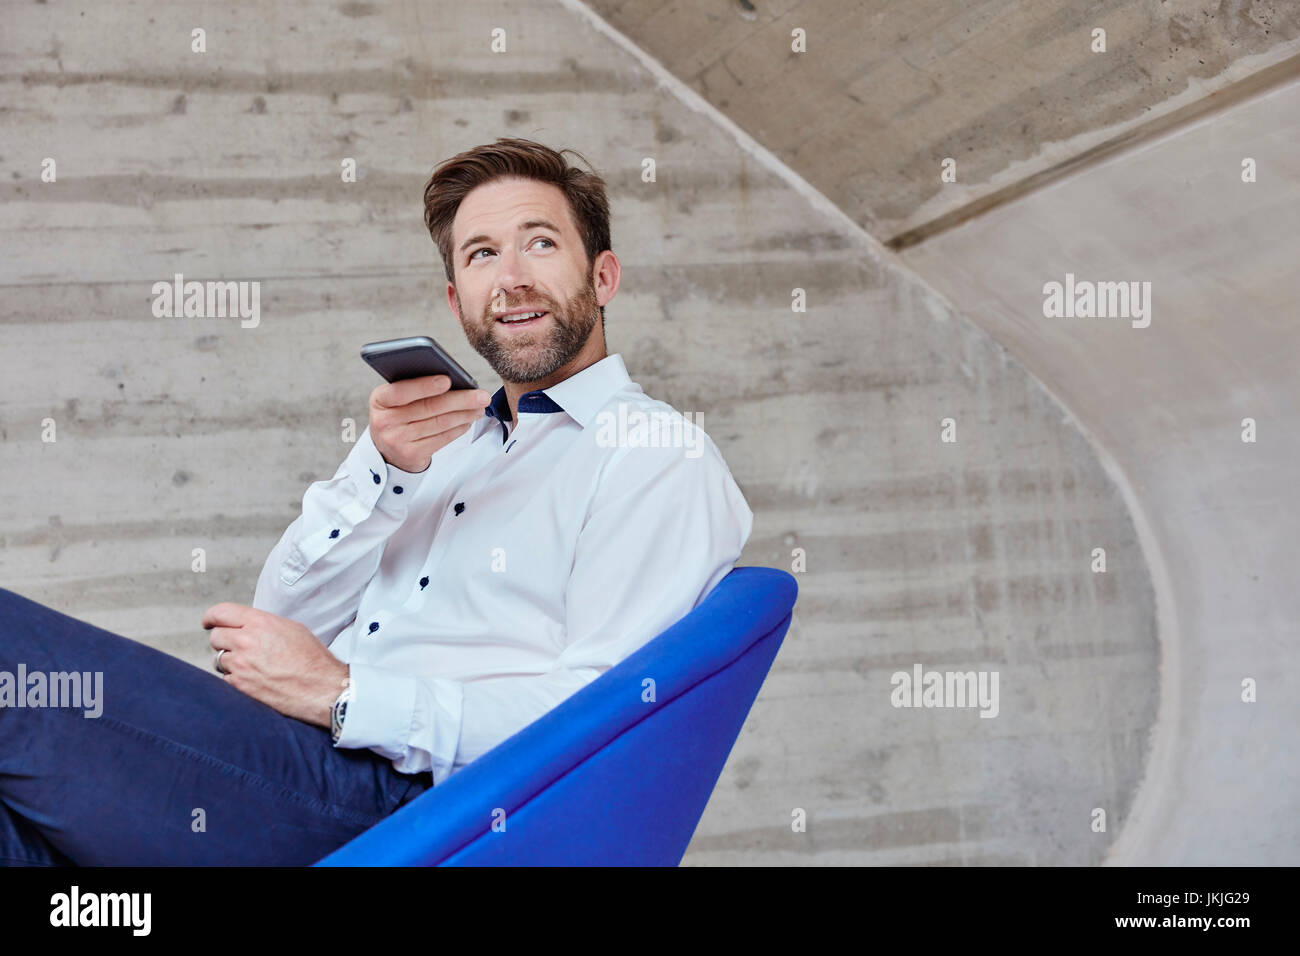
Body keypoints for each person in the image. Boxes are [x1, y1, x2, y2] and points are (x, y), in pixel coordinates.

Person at [0, 137, 753, 866]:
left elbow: (600, 726)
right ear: (459, 301)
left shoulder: (653, 455)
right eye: (482, 254)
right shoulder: (443, 439)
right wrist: (385, 470)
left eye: (541, 244)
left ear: (605, 276)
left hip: (412, 813)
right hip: (291, 768)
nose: (512, 277)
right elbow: (282, 624)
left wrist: (347, 693)